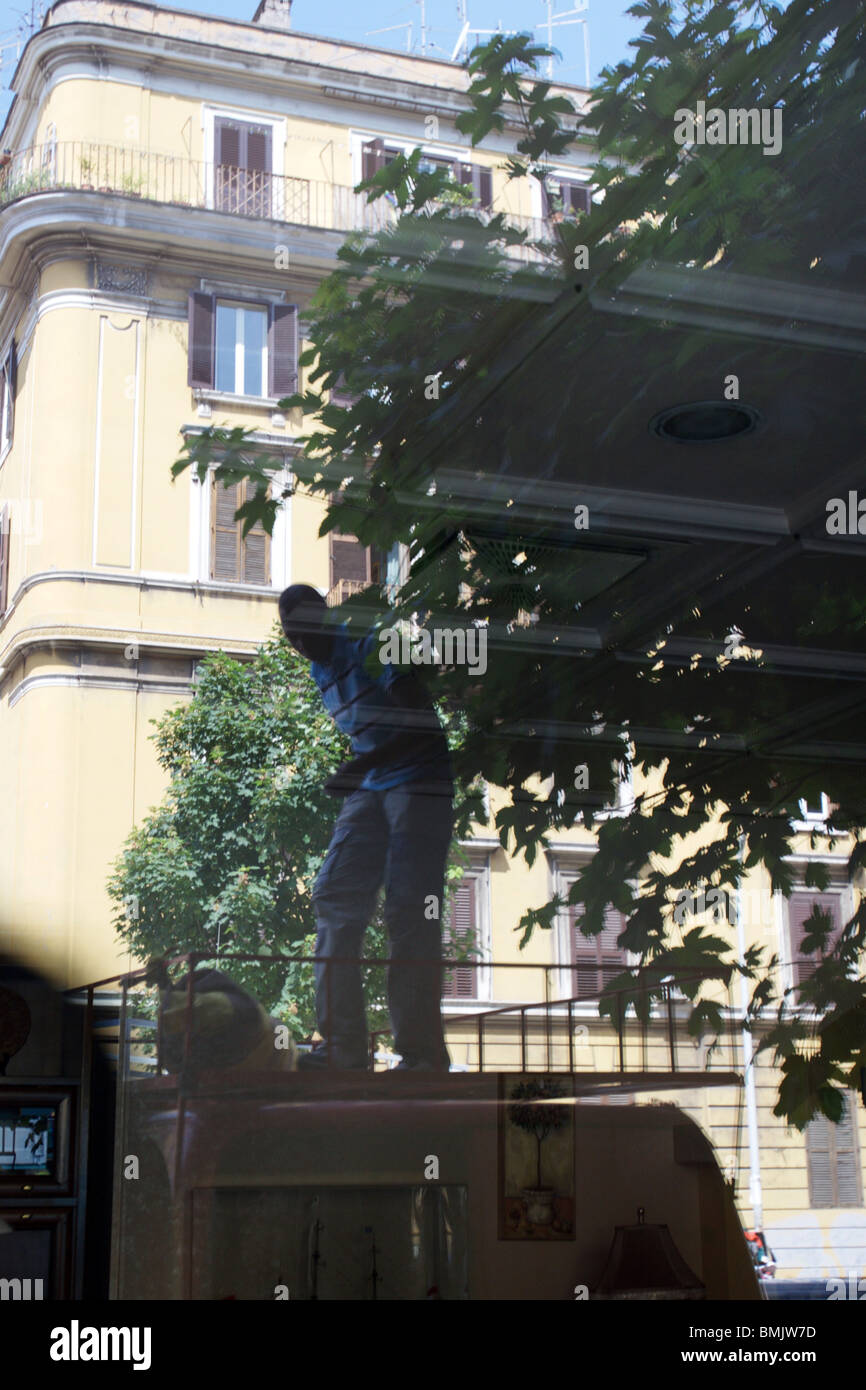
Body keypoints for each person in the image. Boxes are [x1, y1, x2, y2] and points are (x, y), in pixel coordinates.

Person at [278, 584, 454, 1072]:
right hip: (374, 780)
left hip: (421, 777)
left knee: (408, 909)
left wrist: (363, 766)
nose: (301, 646)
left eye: (306, 631)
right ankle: (343, 1049)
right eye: (292, 639)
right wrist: (364, 768)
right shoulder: (319, 667)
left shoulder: (369, 639)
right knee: (334, 894)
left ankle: (421, 1056)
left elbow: (421, 722)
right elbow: (371, 733)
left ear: (324, 615)